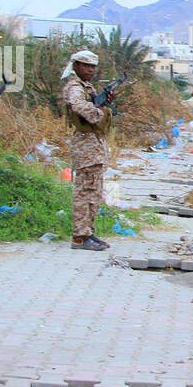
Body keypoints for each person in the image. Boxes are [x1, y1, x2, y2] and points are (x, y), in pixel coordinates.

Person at [61, 49, 115, 251]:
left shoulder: (87, 87)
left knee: (94, 191)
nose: (90, 69)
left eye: (93, 66)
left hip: (94, 143)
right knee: (85, 192)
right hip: (86, 144)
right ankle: (80, 236)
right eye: (86, 65)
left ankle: (88, 232)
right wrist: (99, 113)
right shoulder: (75, 87)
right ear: (76, 66)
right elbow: (77, 105)